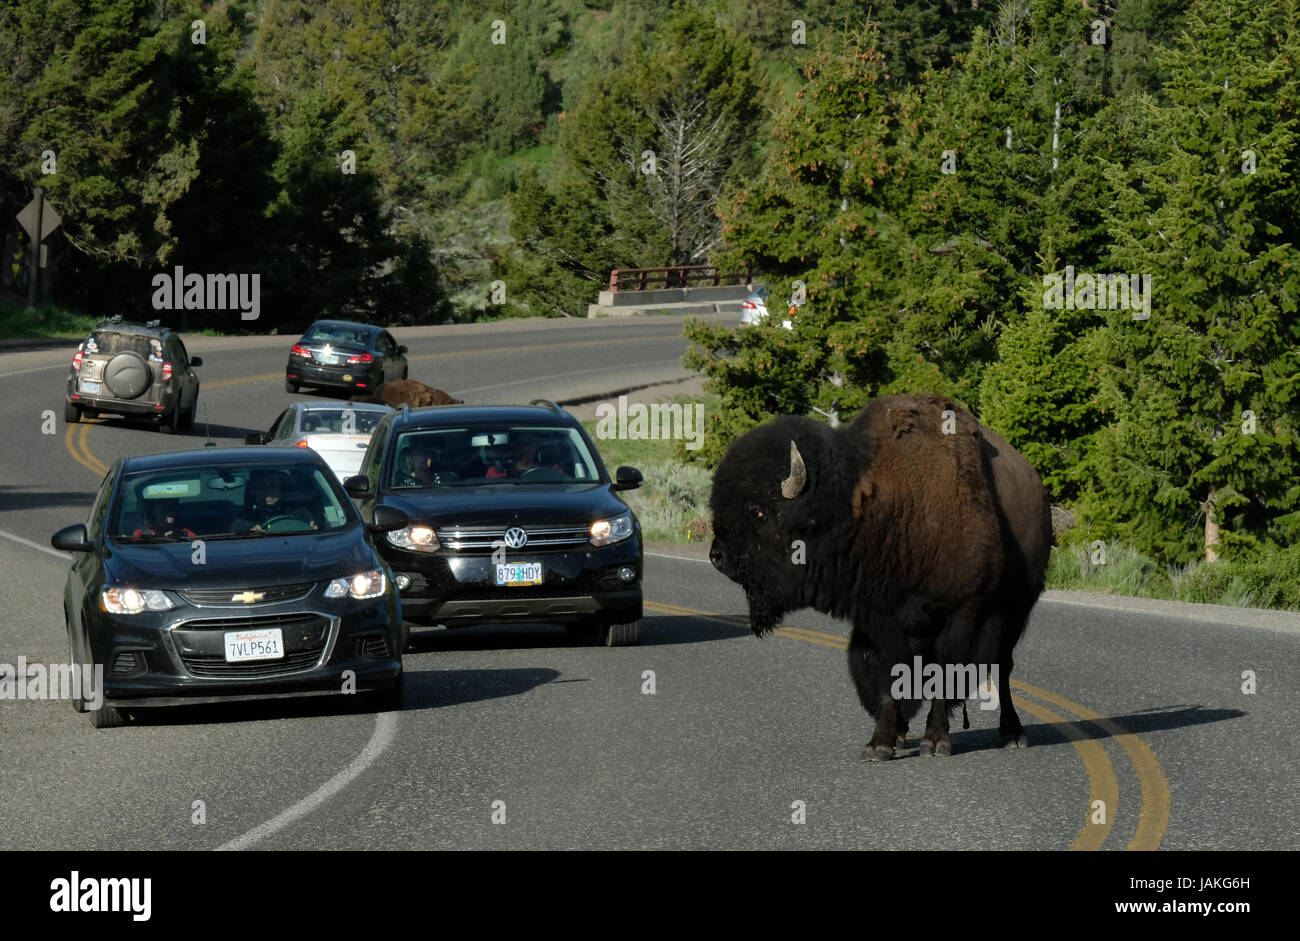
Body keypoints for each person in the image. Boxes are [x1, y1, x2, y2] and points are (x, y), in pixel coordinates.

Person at [232, 469, 317, 532]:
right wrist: (249, 536)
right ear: (253, 491)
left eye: (273, 485)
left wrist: (313, 530)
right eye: (262, 486)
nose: (268, 490)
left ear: (280, 488)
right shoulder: (243, 521)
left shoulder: (299, 514)